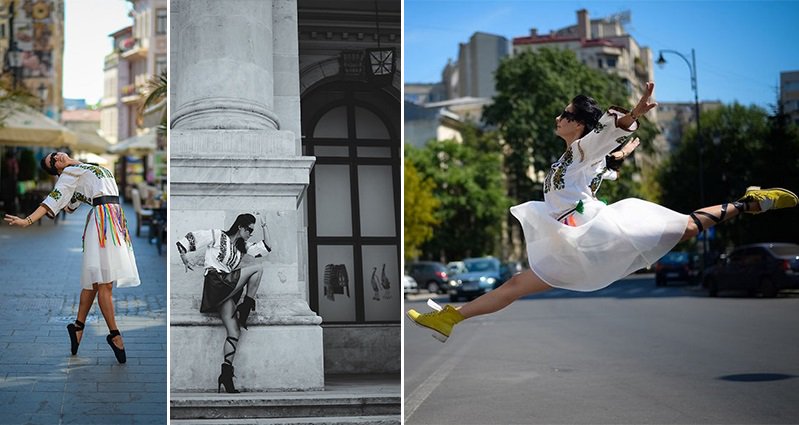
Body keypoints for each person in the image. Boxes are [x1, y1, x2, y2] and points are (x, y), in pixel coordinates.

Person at [408, 82, 798, 342]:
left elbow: (609, 132)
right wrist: (619, 157)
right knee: (512, 287)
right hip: (568, 240)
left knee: (686, 228)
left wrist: (632, 114)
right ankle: (450, 318)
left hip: (597, 231)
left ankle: (751, 202)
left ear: (578, 124)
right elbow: (603, 164)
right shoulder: (574, 159)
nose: (558, 119)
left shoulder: (582, 149)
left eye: (565, 114)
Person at [4, 152, 140, 362]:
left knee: (95, 284)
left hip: (113, 220)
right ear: (56, 170)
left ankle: (77, 328)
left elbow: (71, 205)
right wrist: (27, 221)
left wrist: (71, 198)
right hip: (103, 223)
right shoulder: (68, 175)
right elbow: (54, 200)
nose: (56, 157)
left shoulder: (82, 169)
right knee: (105, 284)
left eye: (55, 154)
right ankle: (115, 335)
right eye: (52, 161)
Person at [176, 213, 271, 393]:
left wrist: (265, 226)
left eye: (252, 230)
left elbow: (266, 248)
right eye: (249, 229)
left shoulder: (243, 248)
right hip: (215, 281)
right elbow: (192, 238)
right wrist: (183, 255)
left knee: (234, 331)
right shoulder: (218, 235)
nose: (251, 233)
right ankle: (245, 306)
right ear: (240, 227)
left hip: (227, 288)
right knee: (257, 269)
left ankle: (226, 374)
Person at [2, 149, 20, 215]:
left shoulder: (5, 161)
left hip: (6, 182)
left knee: (7, 199)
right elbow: (16, 171)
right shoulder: (13, 162)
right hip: (11, 182)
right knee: (12, 198)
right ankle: (11, 212)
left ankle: (8, 212)